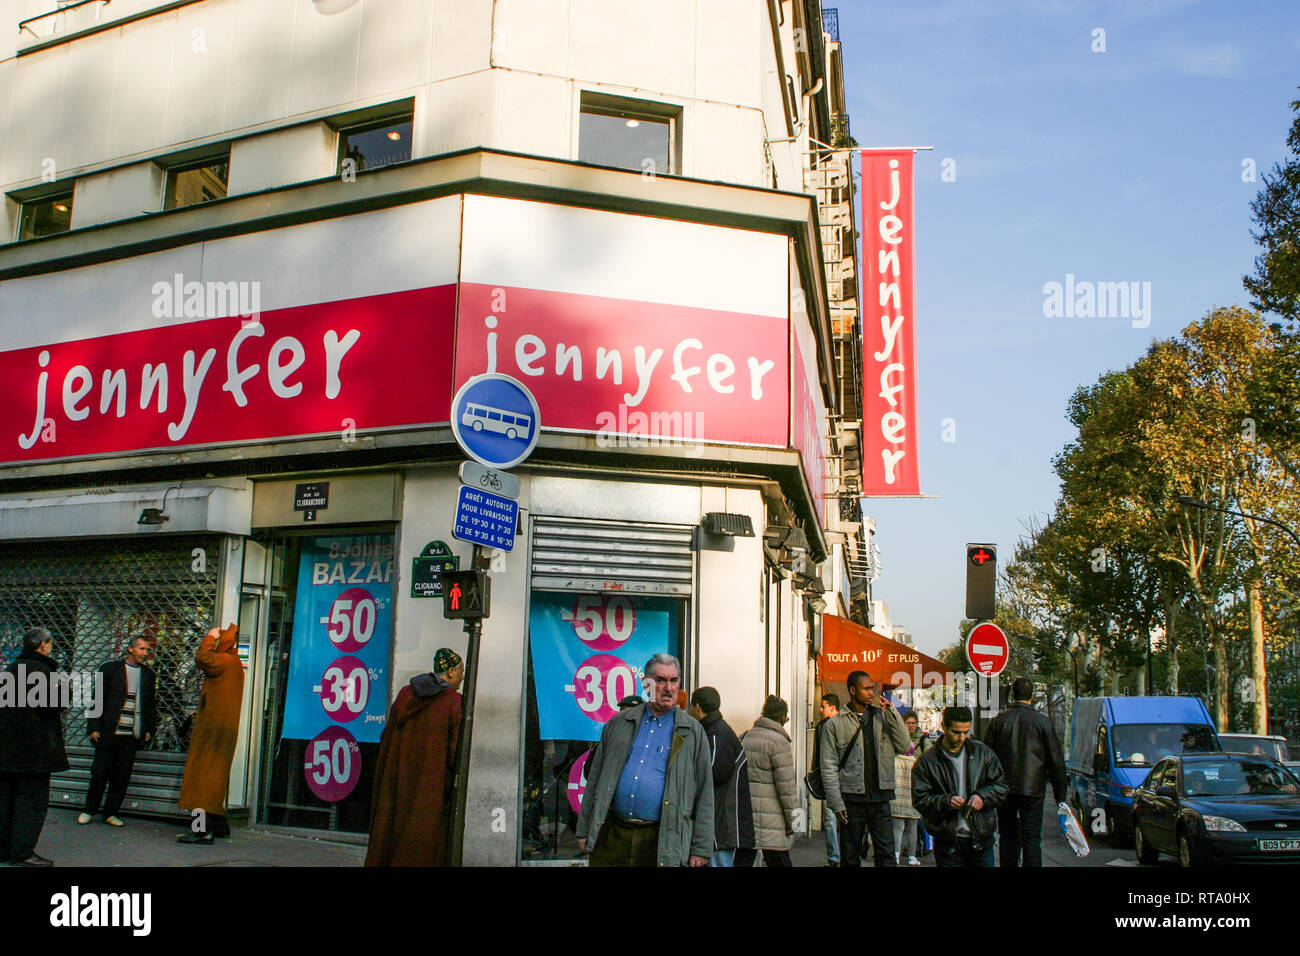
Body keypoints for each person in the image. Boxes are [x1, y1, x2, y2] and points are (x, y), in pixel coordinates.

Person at [576, 653, 713, 867]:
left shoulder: (693, 732)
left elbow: (705, 794)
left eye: (673, 680)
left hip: (661, 840)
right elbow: (594, 779)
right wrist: (583, 830)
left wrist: (701, 848)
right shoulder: (619, 723)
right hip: (612, 835)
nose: (668, 688)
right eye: (660, 680)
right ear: (647, 684)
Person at [365, 648, 465, 866]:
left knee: (393, 835)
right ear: (449, 672)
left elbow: (388, 736)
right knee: (422, 844)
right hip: (429, 786)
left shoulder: (404, 694)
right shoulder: (453, 703)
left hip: (397, 780)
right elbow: (454, 750)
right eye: (460, 671)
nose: (462, 677)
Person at [820, 671, 912, 867]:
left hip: (881, 797)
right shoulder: (835, 724)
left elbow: (904, 746)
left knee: (886, 855)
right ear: (853, 691)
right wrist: (836, 803)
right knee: (850, 857)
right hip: (851, 798)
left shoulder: (883, 717)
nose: (872, 692)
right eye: (867, 688)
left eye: (873, 688)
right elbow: (828, 766)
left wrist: (893, 713)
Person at [982, 677, 1068, 867]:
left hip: (1004, 788)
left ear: (1013, 694)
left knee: (1007, 836)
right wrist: (1060, 796)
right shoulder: (1043, 723)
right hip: (1033, 788)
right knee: (1031, 838)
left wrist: (987, 790)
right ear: (1032, 696)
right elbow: (1056, 761)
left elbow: (987, 758)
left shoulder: (999, 722)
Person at [0, 627, 68, 866]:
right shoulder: (42, 671)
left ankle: (4, 849)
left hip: (6, 750)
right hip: (34, 751)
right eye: (50, 644)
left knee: (6, 800)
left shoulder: (10, 669)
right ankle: (22, 853)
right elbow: (52, 706)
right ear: (43, 645)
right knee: (31, 803)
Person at [912, 706, 1008, 867]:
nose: (961, 737)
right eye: (956, 732)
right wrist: (946, 801)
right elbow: (920, 799)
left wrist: (982, 797)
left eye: (966, 732)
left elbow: (1001, 786)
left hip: (980, 839)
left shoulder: (983, 753)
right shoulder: (927, 761)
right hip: (948, 842)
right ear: (944, 727)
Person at [79, 635, 158, 828]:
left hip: (132, 734)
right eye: (141, 649)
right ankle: (89, 810)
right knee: (99, 773)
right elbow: (97, 698)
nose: (145, 653)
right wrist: (94, 726)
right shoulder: (110, 669)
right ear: (130, 649)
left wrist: (149, 729)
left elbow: (150, 705)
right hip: (109, 731)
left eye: (147, 650)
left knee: (122, 776)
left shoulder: (148, 675)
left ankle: (111, 812)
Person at [176, 624, 244, 844]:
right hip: (222, 728)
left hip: (212, 729)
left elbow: (203, 658)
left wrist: (208, 638)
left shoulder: (223, 661)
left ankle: (200, 831)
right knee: (213, 779)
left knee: (201, 779)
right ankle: (218, 826)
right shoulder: (235, 663)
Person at [689, 686, 753, 867]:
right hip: (723, 822)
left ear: (698, 707)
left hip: (723, 823)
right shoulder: (718, 731)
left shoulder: (716, 734)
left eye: (691, 707)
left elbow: (713, 774)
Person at [737, 695, 799, 867]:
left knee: (743, 860)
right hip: (773, 821)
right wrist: (795, 822)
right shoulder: (779, 743)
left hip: (746, 816)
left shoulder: (744, 737)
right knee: (780, 861)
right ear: (781, 718)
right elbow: (787, 788)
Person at [812, 692, 841, 866]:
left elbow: (819, 755)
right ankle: (835, 857)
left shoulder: (825, 727)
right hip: (835, 777)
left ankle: (834, 857)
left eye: (823, 707)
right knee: (834, 819)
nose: (821, 710)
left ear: (832, 707)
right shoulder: (823, 726)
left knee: (832, 819)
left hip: (831, 777)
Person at [903, 710, 932, 856]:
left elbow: (929, 759)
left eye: (913, 723)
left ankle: (923, 845)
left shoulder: (922, 740)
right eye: (908, 723)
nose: (911, 726)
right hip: (902, 780)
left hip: (918, 780)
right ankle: (916, 846)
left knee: (917, 815)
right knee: (909, 816)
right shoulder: (901, 738)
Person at [890, 747, 922, 865]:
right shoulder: (917, 762)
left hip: (897, 799)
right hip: (912, 799)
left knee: (897, 829)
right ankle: (912, 857)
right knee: (912, 830)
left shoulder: (895, 760)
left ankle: (896, 855)